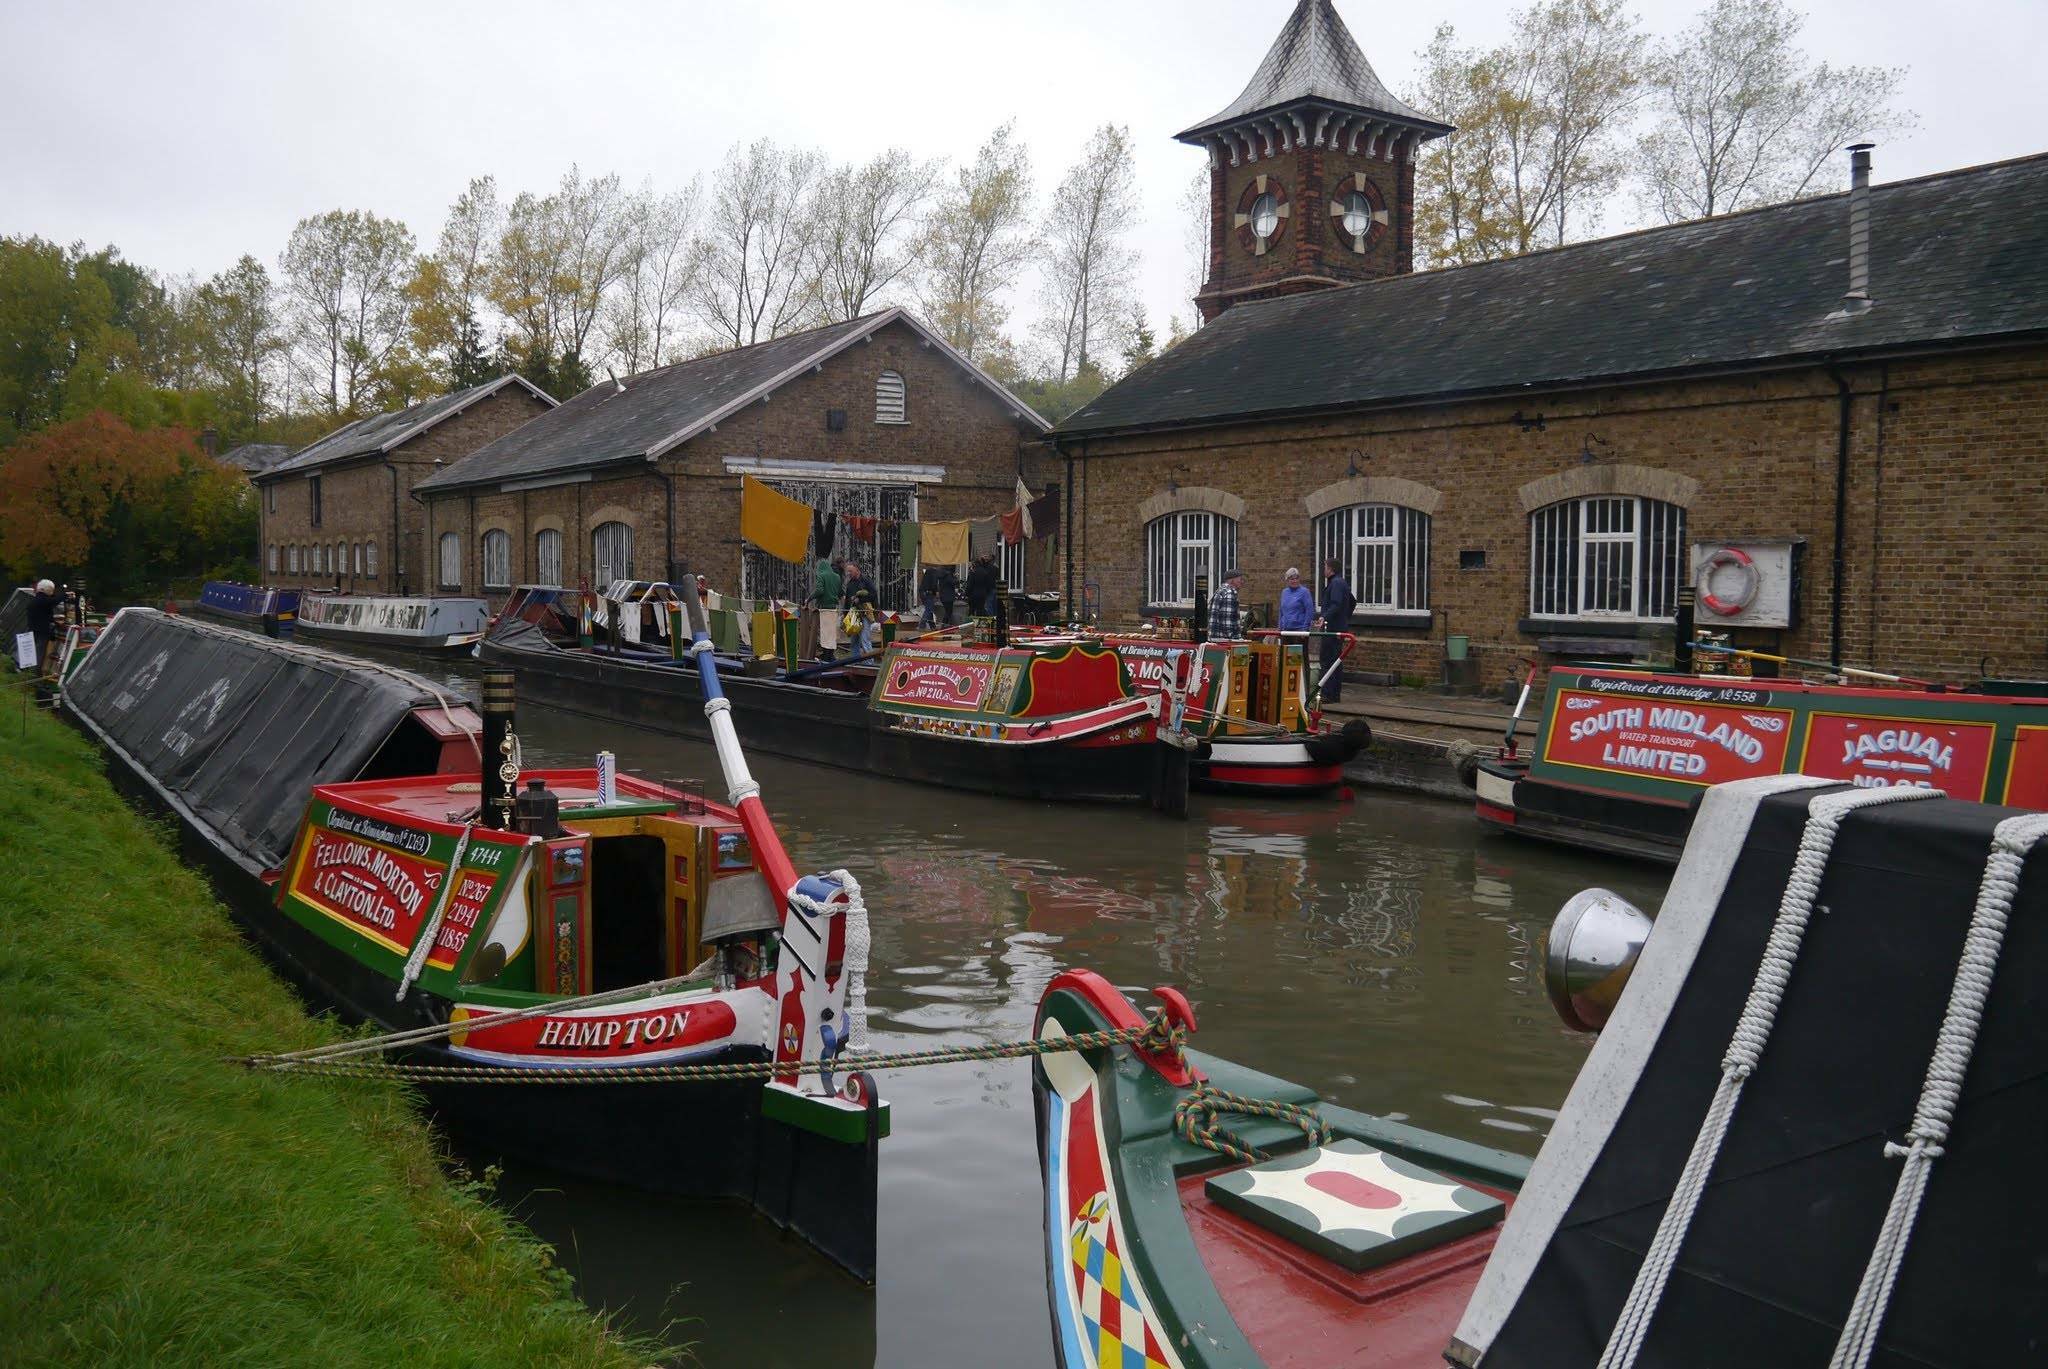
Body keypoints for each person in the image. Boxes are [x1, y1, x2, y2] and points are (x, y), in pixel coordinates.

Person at [1316, 557, 1357, 703]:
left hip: (1332, 629)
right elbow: (1352, 602)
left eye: (1325, 567)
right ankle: (1333, 694)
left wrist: (1324, 617)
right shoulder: (1339, 583)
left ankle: (1328, 694)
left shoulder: (1336, 584)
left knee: (1328, 661)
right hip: (1336, 627)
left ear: (1331, 569)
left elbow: (1336, 603)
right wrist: (1344, 619)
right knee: (1334, 661)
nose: (1324, 570)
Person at [26, 578, 59, 675]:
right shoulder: (43, 600)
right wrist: (65, 595)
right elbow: (53, 601)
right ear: (48, 590)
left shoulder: (35, 600)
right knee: (39, 652)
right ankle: (35, 673)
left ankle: (31, 672)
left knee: (33, 651)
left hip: (33, 629)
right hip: (41, 631)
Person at [812, 557, 842, 659]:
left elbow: (819, 591)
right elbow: (840, 592)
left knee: (825, 634)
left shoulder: (821, 575)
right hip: (834, 609)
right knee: (832, 634)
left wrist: (809, 598)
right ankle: (831, 655)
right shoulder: (837, 577)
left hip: (824, 609)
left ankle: (826, 656)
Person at [1208, 567, 1245, 641]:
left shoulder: (1221, 591)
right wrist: (1233, 638)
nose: (1242, 582)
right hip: (1225, 640)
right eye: (1240, 579)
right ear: (1232, 580)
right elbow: (1227, 619)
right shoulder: (1229, 593)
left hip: (1216, 638)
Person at [1278, 566, 1314, 632]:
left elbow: (1309, 611)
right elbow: (1281, 610)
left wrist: (1305, 628)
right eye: (1292, 579)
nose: (1295, 581)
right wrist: (1280, 626)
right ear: (1287, 580)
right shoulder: (1284, 592)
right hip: (1285, 629)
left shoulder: (1305, 592)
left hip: (1299, 629)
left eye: (1296, 578)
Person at [964, 554, 999, 618]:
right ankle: (982, 622)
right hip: (983, 594)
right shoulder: (985, 572)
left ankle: (971, 623)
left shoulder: (973, 572)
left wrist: (966, 593)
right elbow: (988, 583)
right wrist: (986, 591)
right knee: (981, 609)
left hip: (973, 595)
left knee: (972, 610)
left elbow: (970, 584)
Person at [917, 564, 941, 629]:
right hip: (929, 593)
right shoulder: (934, 572)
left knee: (930, 609)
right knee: (929, 610)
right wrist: (936, 592)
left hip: (923, 592)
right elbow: (933, 584)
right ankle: (922, 625)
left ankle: (932, 626)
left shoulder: (928, 571)